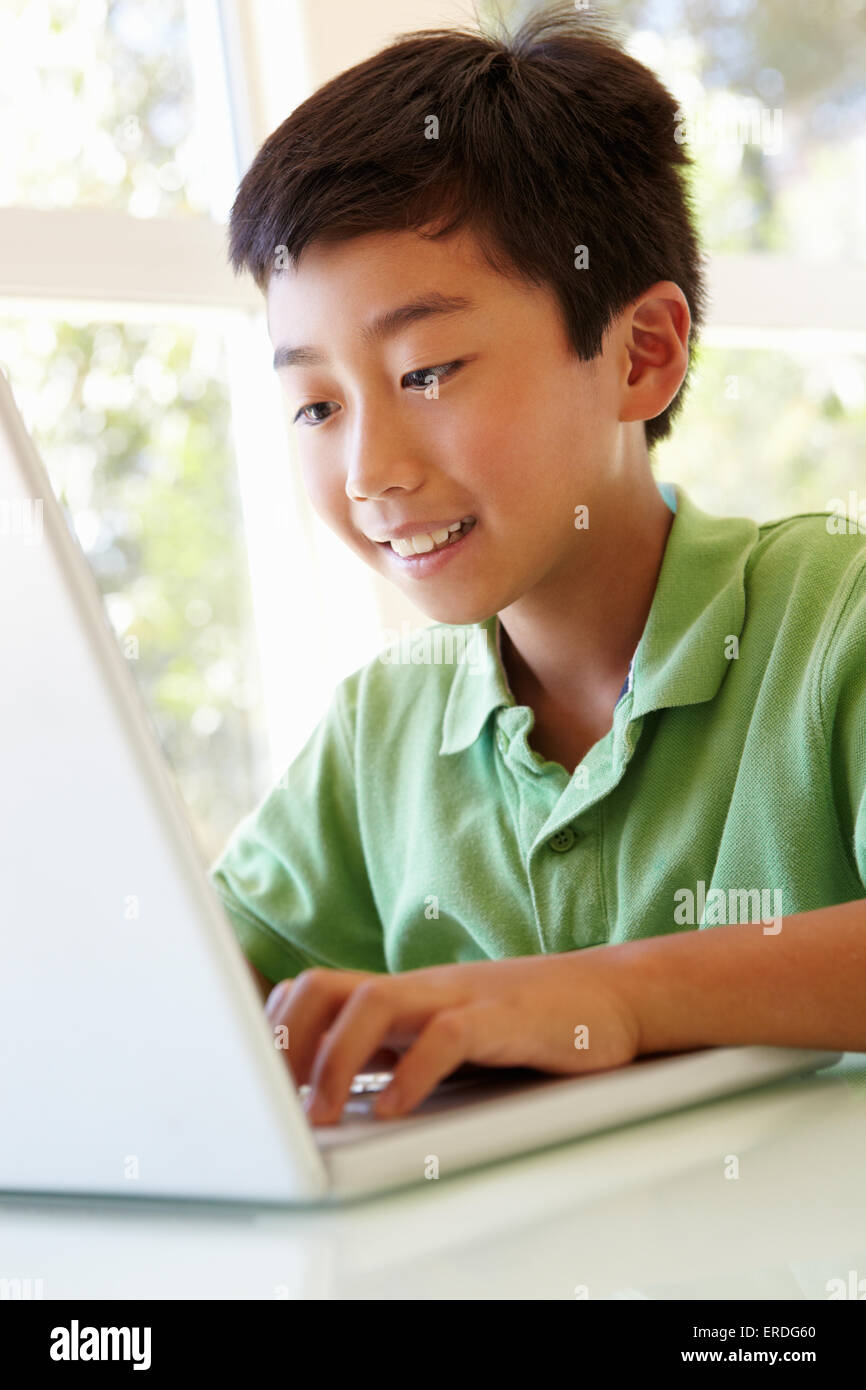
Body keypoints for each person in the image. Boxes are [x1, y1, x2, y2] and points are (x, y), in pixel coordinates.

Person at [208, 2, 866, 1125]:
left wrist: (592, 996)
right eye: (314, 403)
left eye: (427, 371)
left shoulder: (831, 617)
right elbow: (199, 987)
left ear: (639, 355)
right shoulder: (385, 726)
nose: (370, 468)